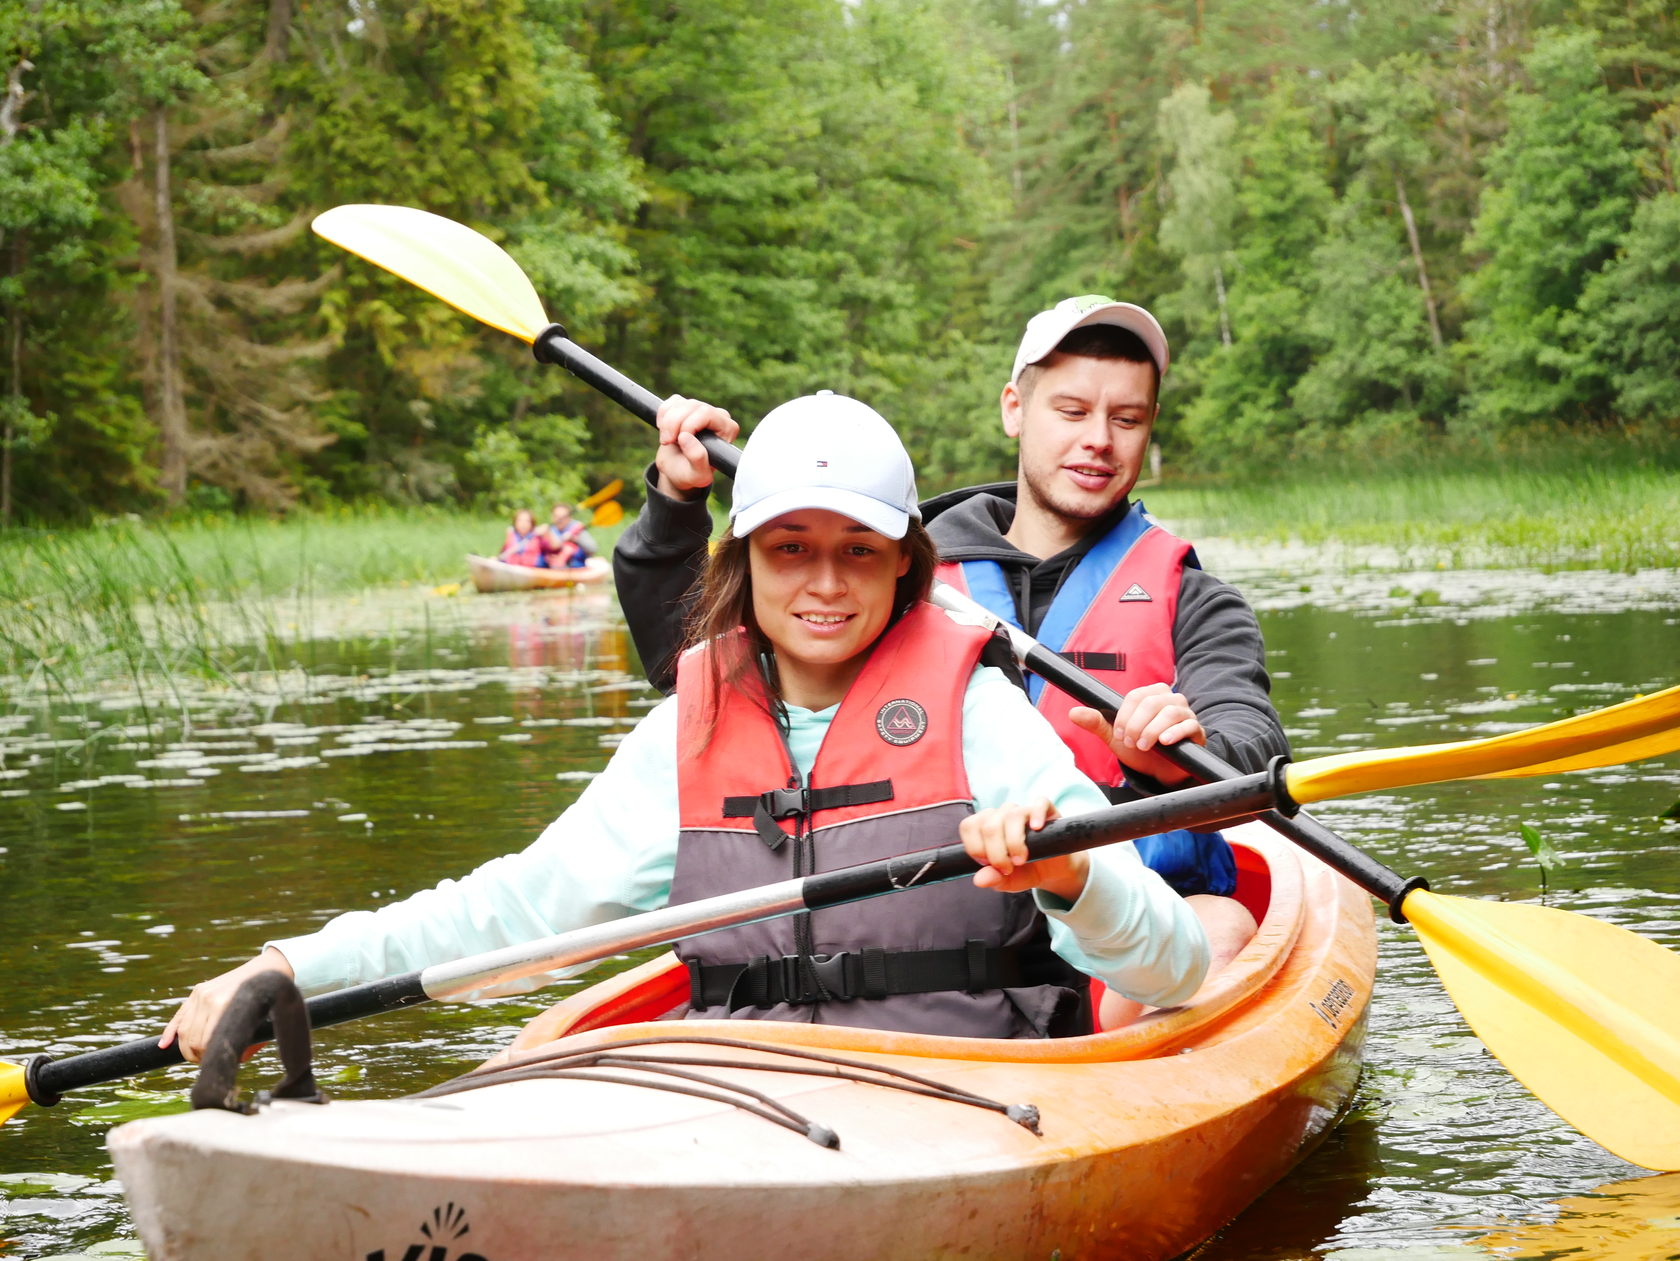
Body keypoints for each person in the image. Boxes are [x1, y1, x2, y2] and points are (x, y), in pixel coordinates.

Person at [161, 394, 1209, 1060]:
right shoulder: (686, 730)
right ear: (742, 559)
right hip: (745, 1098)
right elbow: (509, 912)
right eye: (791, 548)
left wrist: (1072, 875)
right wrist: (290, 965)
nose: (825, 583)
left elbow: (1176, 965)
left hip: (963, 1093)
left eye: (857, 550)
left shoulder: (983, 716)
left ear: (904, 563)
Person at [610, 297, 1285, 1025]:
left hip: (1128, 925)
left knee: (1219, 927)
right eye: (1071, 411)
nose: (1098, 440)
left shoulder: (1193, 598)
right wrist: (678, 506)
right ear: (1014, 409)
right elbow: (702, 669)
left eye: (1126, 419)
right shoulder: (886, 569)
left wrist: (1176, 759)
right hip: (943, 929)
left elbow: (1252, 742)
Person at [544, 502, 598, 569]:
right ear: (552, 517)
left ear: (569, 517)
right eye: (556, 516)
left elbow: (592, 549)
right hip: (554, 566)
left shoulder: (577, 529)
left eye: (562, 517)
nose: (559, 520)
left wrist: (575, 539)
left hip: (577, 567)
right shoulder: (549, 530)